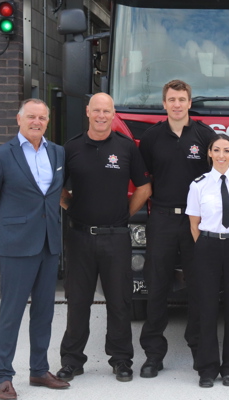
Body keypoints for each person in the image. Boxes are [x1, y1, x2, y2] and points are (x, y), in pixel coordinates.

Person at [56, 93, 152, 383]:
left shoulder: (126, 148)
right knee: (78, 301)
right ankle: (72, 360)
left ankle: (121, 360)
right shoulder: (71, 147)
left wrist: (123, 215)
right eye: (96, 110)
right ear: (87, 112)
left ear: (113, 115)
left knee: (120, 302)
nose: (101, 115)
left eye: (106, 111)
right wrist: (73, 208)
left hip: (116, 237)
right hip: (80, 236)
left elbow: (145, 188)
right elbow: (56, 188)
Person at [0, 98, 69, 400]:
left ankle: (39, 370)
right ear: (19, 119)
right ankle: (3, 377)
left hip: (48, 243)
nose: (37, 122)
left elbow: (55, 195)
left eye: (42, 118)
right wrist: (7, 229)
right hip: (16, 246)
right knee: (12, 313)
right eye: (31, 117)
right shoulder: (1, 155)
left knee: (44, 312)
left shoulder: (57, 152)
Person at [138, 79, 216, 377]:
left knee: (199, 285)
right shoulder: (151, 138)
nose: (177, 104)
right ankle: (153, 355)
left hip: (196, 221)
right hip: (162, 218)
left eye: (182, 99)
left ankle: (199, 350)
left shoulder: (205, 135)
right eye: (171, 99)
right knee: (157, 285)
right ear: (164, 103)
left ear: (189, 102)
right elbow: (145, 178)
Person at [186, 134, 229, 388]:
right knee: (207, 308)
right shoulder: (198, 184)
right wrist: (208, 244)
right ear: (210, 153)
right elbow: (194, 223)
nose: (222, 155)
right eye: (217, 150)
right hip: (207, 246)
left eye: (227, 150)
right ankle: (207, 368)